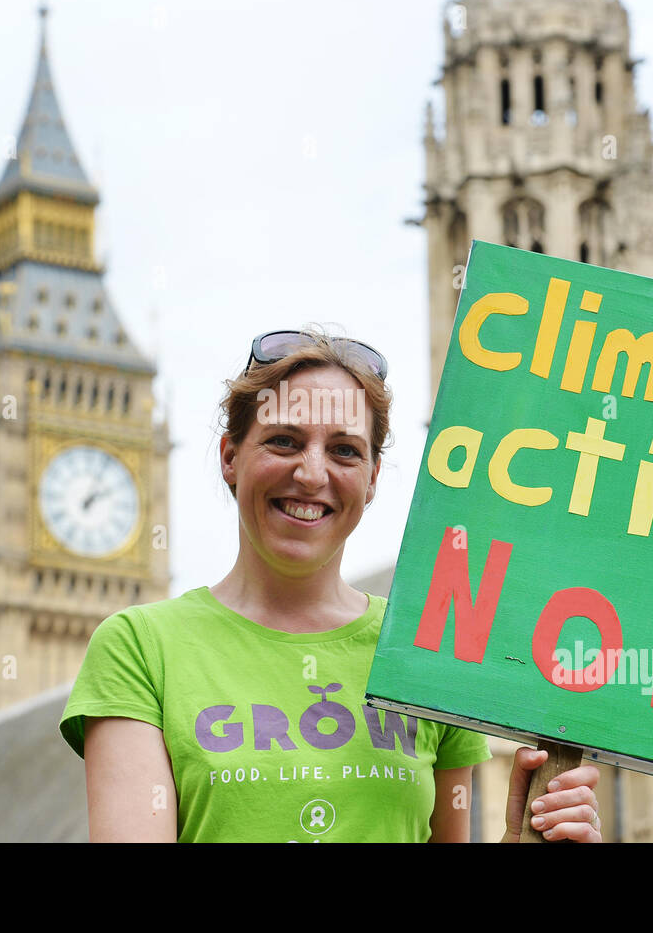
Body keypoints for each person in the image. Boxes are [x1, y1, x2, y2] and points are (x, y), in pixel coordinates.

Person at [59, 327, 602, 842]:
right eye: (284, 441)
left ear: (371, 479)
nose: (312, 474)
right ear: (230, 457)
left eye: (344, 450)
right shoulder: (140, 650)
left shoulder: (428, 652)